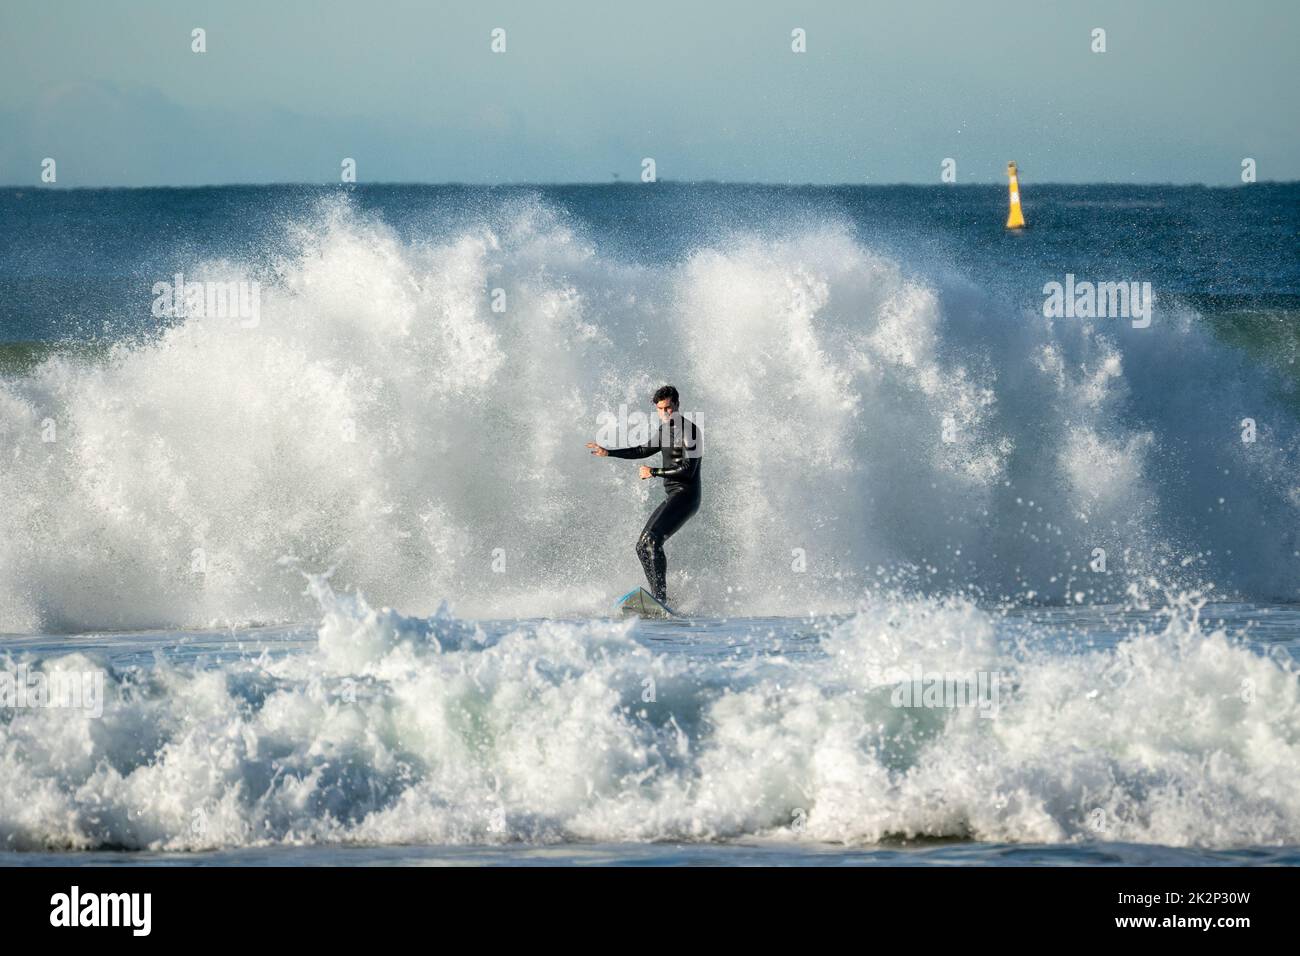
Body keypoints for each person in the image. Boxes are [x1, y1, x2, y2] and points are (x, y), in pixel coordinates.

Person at [587, 385, 701, 604]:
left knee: (652, 539)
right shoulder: (665, 431)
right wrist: (609, 452)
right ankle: (659, 599)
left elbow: (689, 469)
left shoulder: (690, 431)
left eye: (668, 408)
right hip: (675, 495)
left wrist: (654, 472)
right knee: (642, 546)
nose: (665, 413)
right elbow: (642, 450)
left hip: (686, 495)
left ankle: (660, 599)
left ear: (677, 404)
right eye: (660, 409)